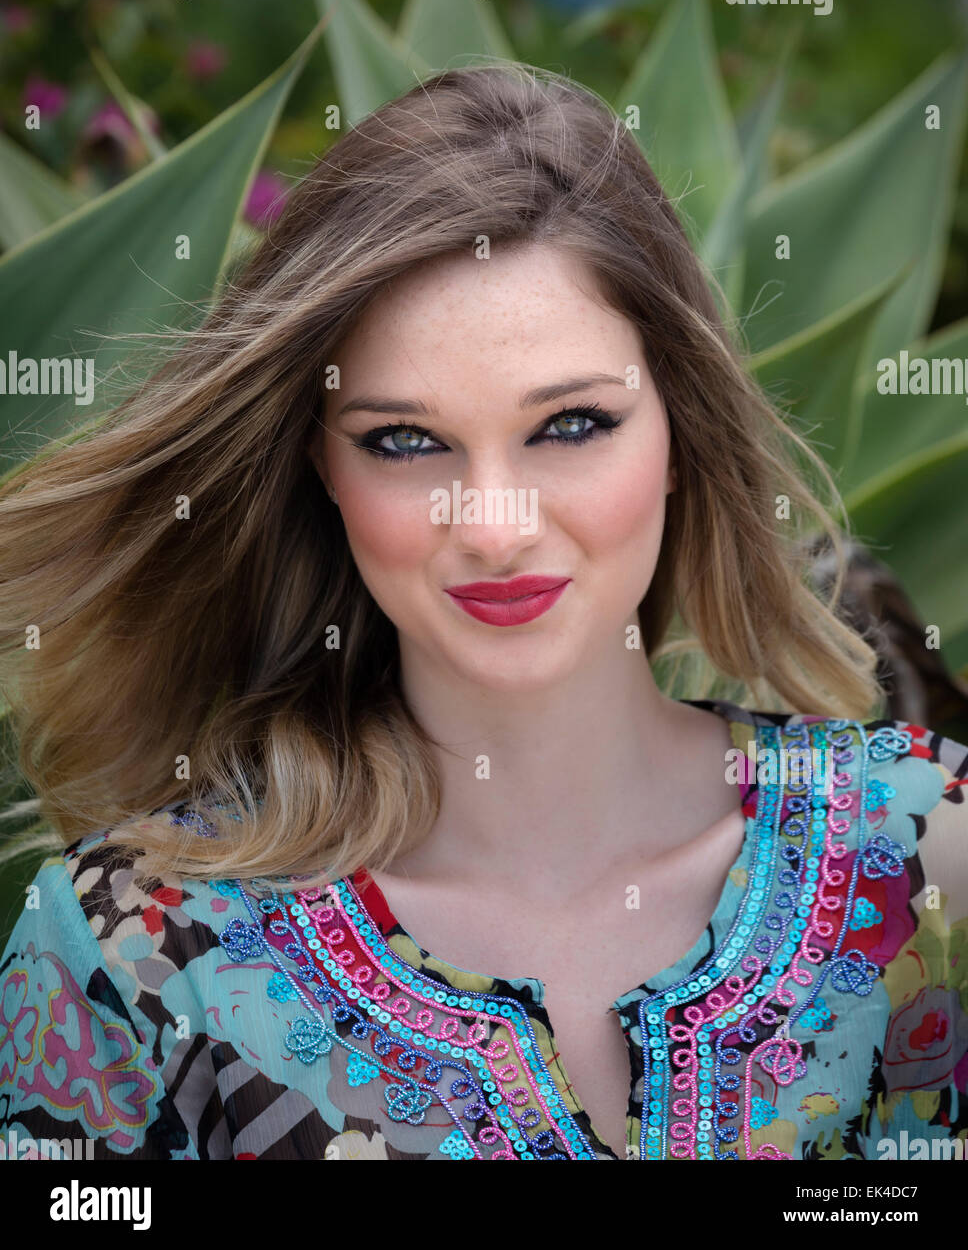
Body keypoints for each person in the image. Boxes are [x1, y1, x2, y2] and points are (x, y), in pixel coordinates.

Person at [0, 63, 965, 1163]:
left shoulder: (928, 856)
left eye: (569, 425)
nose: (494, 524)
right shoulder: (136, 955)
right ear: (321, 465)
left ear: (678, 432)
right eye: (405, 442)